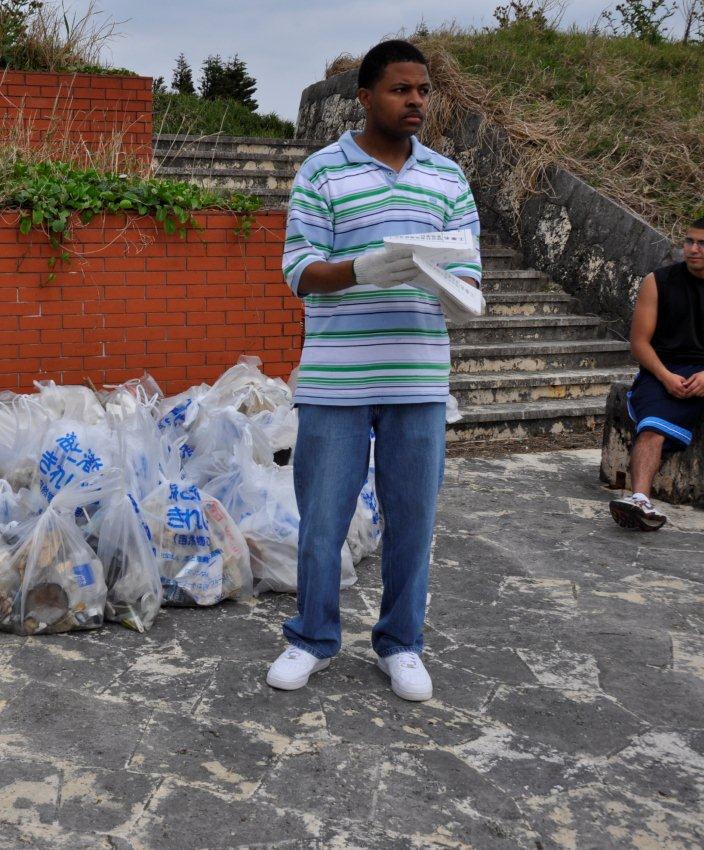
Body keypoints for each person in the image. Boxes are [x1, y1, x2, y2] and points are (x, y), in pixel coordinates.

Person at [267, 40, 481, 702]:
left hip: (418, 378)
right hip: (337, 379)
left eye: (423, 91)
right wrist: (362, 268)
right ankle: (310, 638)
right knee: (322, 521)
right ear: (364, 98)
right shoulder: (323, 172)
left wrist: (457, 293)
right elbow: (299, 270)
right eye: (400, 89)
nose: (416, 101)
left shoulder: (447, 178)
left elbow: (468, 274)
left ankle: (401, 644)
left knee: (412, 522)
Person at [609, 218, 704, 531]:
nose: (693, 249)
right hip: (663, 369)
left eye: (702, 244)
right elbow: (639, 343)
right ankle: (640, 500)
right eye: (689, 241)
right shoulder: (658, 281)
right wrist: (664, 376)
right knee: (652, 427)